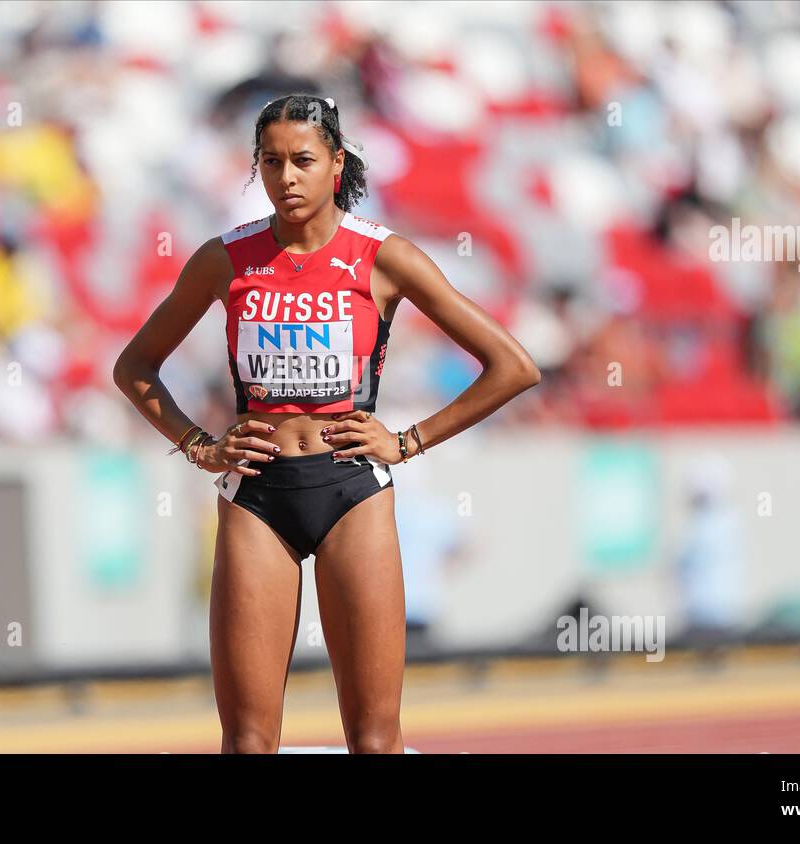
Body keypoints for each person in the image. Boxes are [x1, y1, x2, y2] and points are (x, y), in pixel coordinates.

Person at [113, 94, 541, 753]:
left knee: (374, 739)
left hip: (352, 495)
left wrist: (408, 441)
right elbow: (135, 366)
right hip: (256, 497)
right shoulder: (225, 259)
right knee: (249, 741)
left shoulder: (383, 256)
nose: (286, 177)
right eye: (270, 161)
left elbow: (512, 366)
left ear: (336, 165)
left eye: (303, 161)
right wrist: (198, 444)